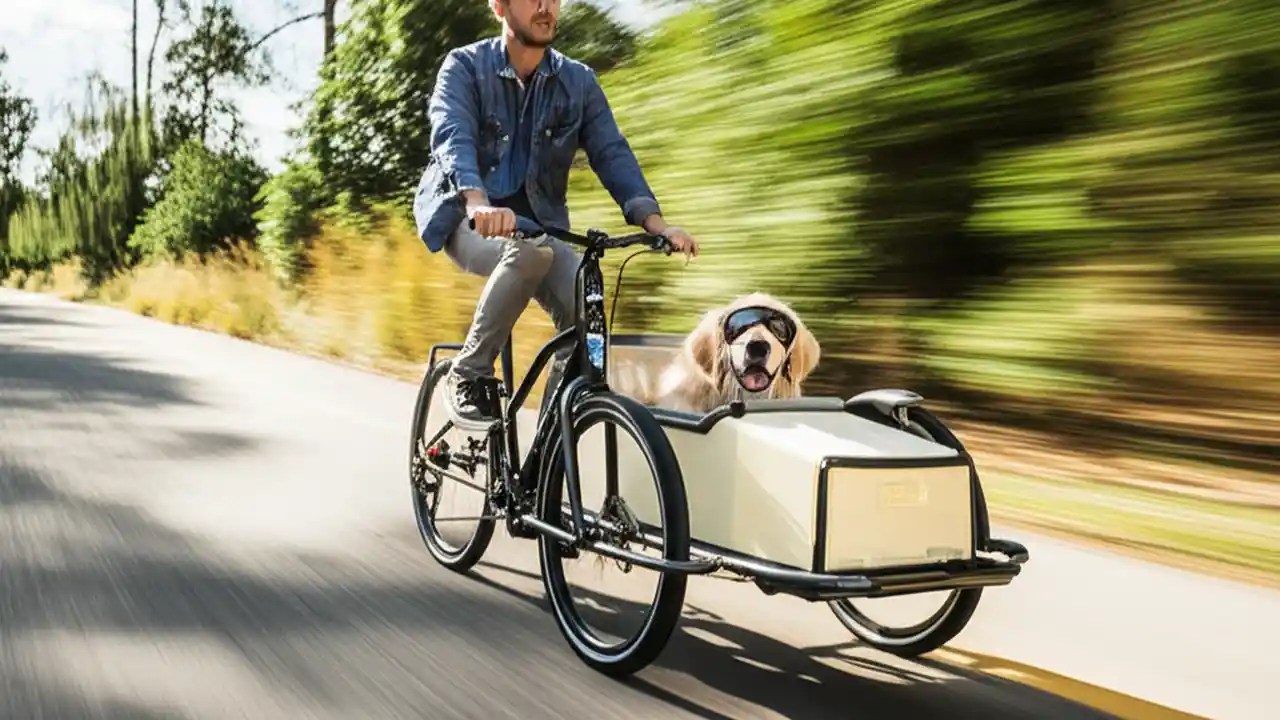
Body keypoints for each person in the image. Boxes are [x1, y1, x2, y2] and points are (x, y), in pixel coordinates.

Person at [413, 0, 698, 430]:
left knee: (587, 320)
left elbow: (611, 153)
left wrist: (655, 225)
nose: (546, 6)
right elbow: (453, 137)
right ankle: (467, 373)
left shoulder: (578, 82)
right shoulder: (465, 66)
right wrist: (477, 202)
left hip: (541, 228)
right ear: (499, 7)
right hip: (468, 216)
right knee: (531, 255)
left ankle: (544, 461)